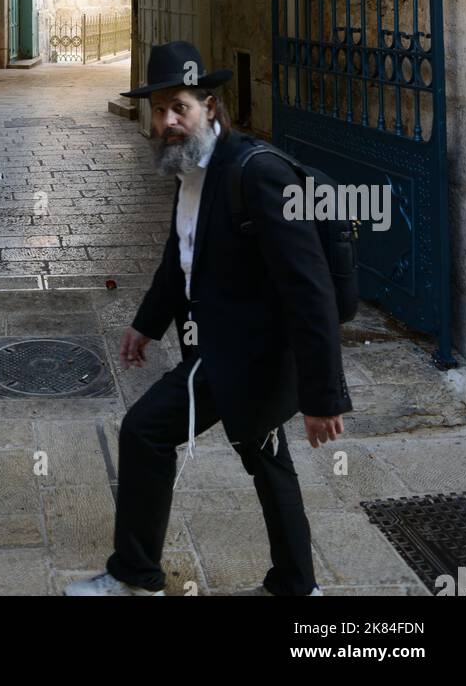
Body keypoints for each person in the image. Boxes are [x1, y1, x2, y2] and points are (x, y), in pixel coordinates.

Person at [64, 41, 353, 597]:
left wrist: (323, 398)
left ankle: (135, 576)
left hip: (252, 358)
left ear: (210, 107)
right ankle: (297, 586)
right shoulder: (191, 169)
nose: (168, 121)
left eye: (181, 108)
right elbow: (181, 256)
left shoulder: (256, 172)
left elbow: (310, 289)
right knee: (267, 463)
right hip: (223, 350)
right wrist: (147, 322)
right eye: (158, 109)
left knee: (145, 432)